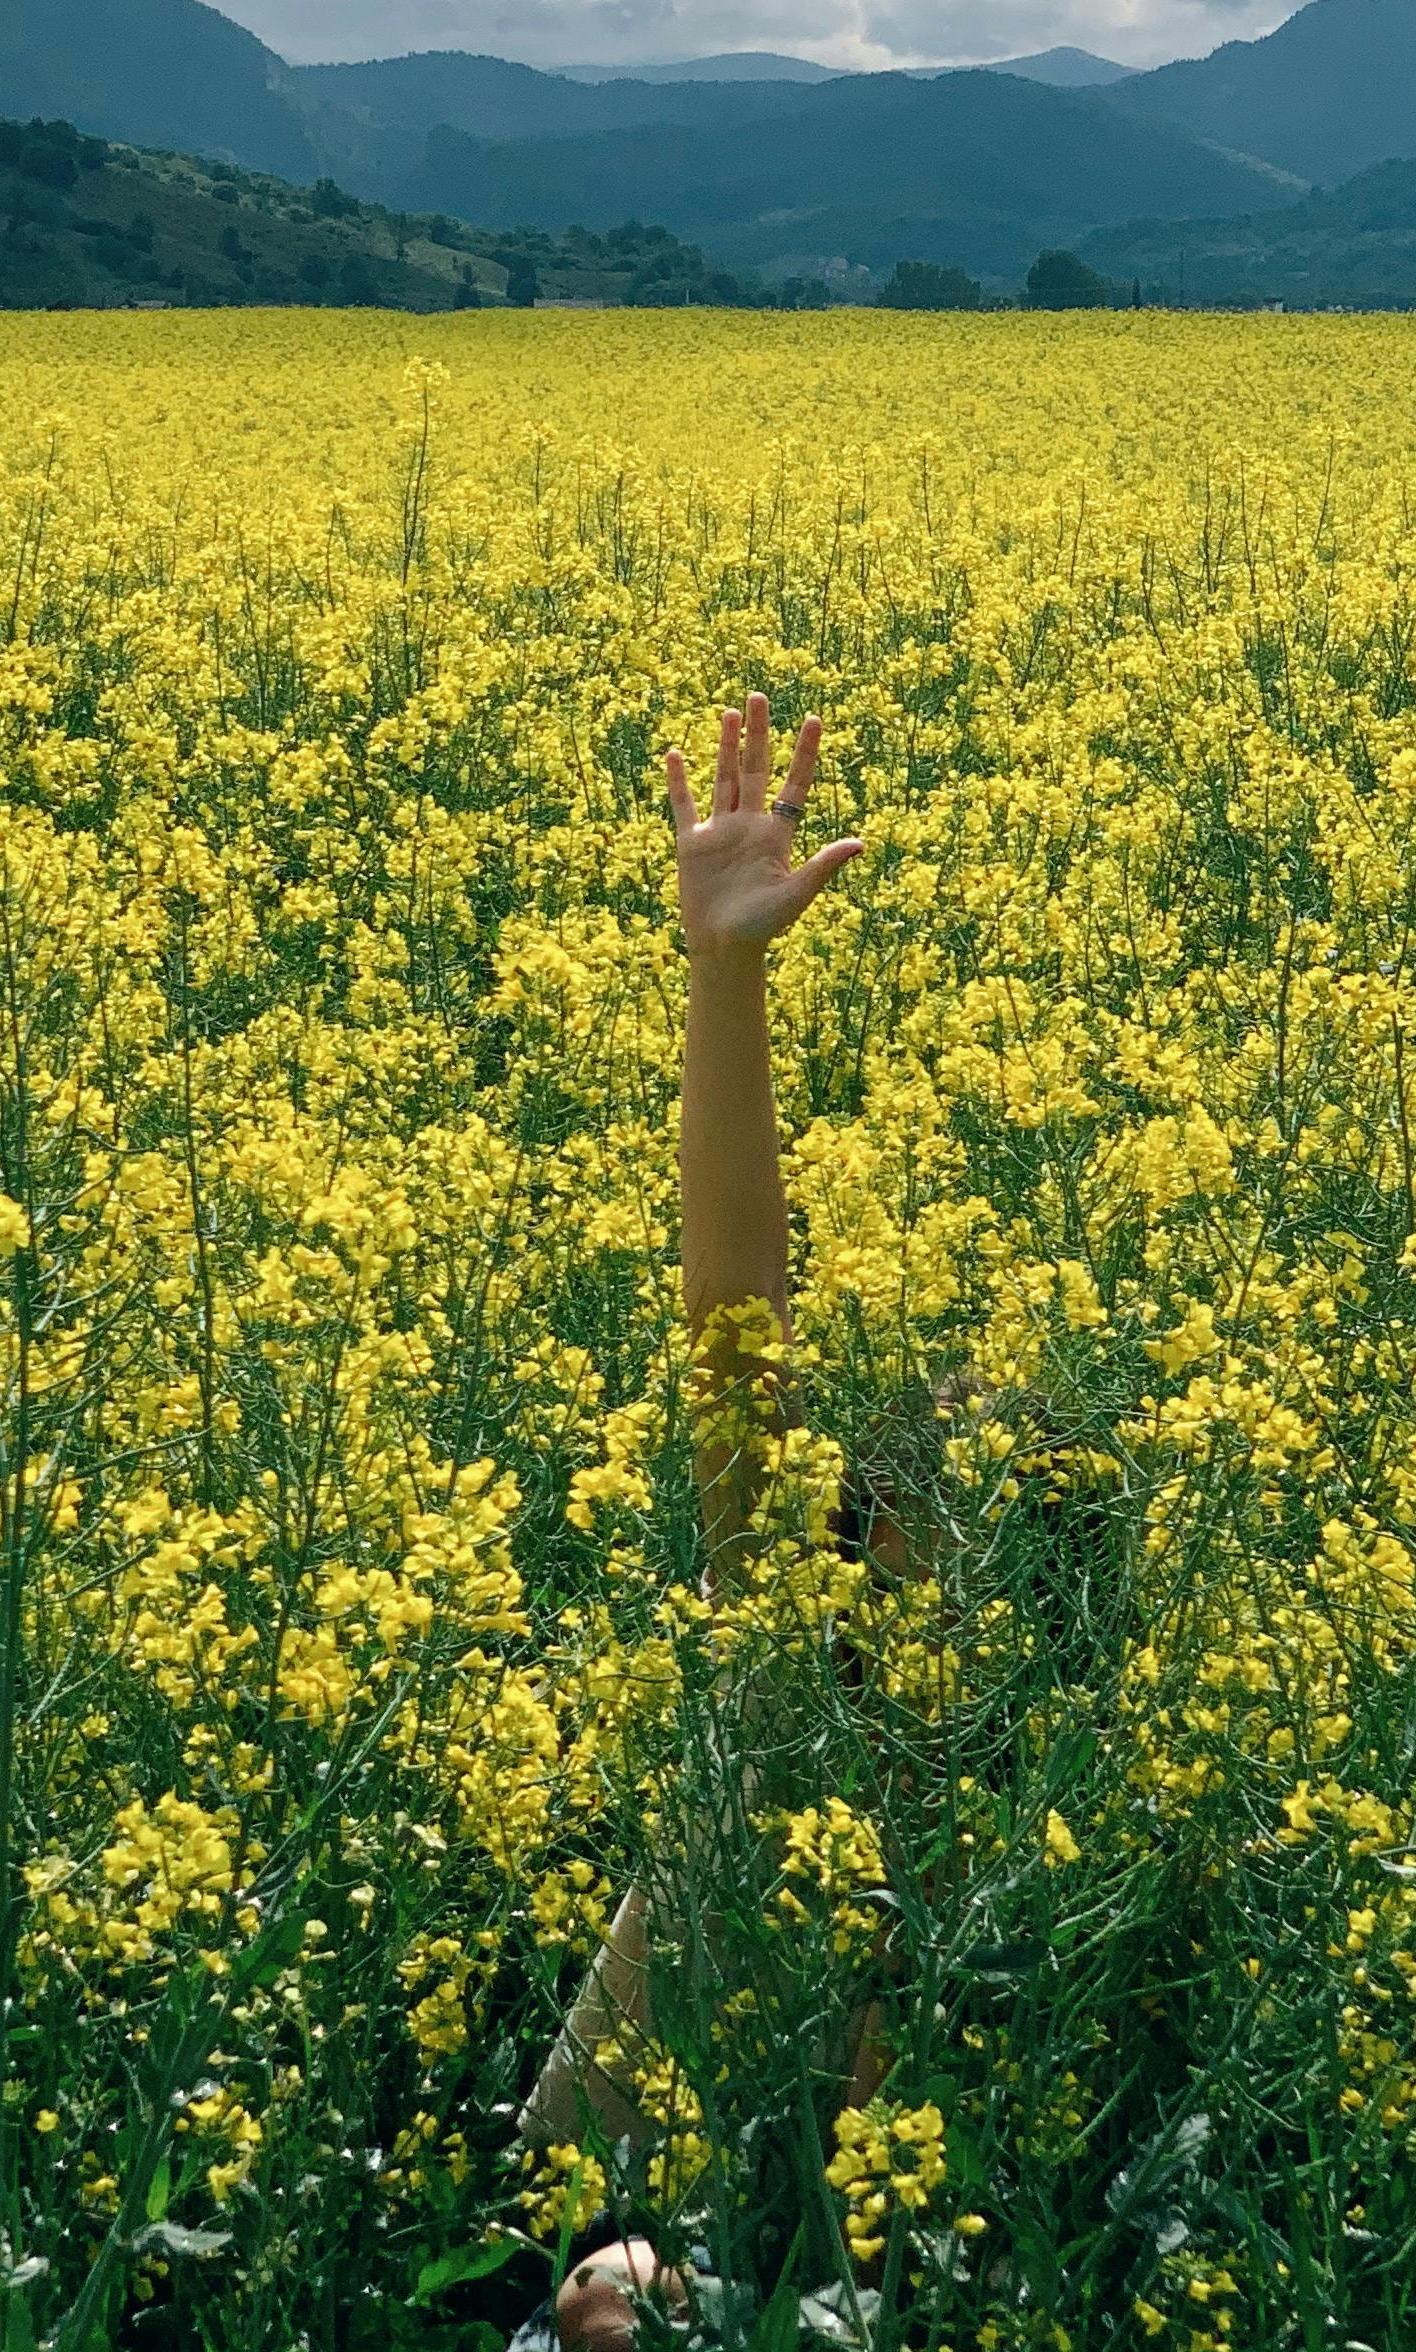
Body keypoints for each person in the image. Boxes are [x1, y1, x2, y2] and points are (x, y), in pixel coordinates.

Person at [507, 696, 866, 2350]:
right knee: (619, 2303)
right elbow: (734, 1318)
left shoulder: (1065, 1842)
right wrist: (725, 974)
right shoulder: (789, 1671)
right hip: (627, 2254)